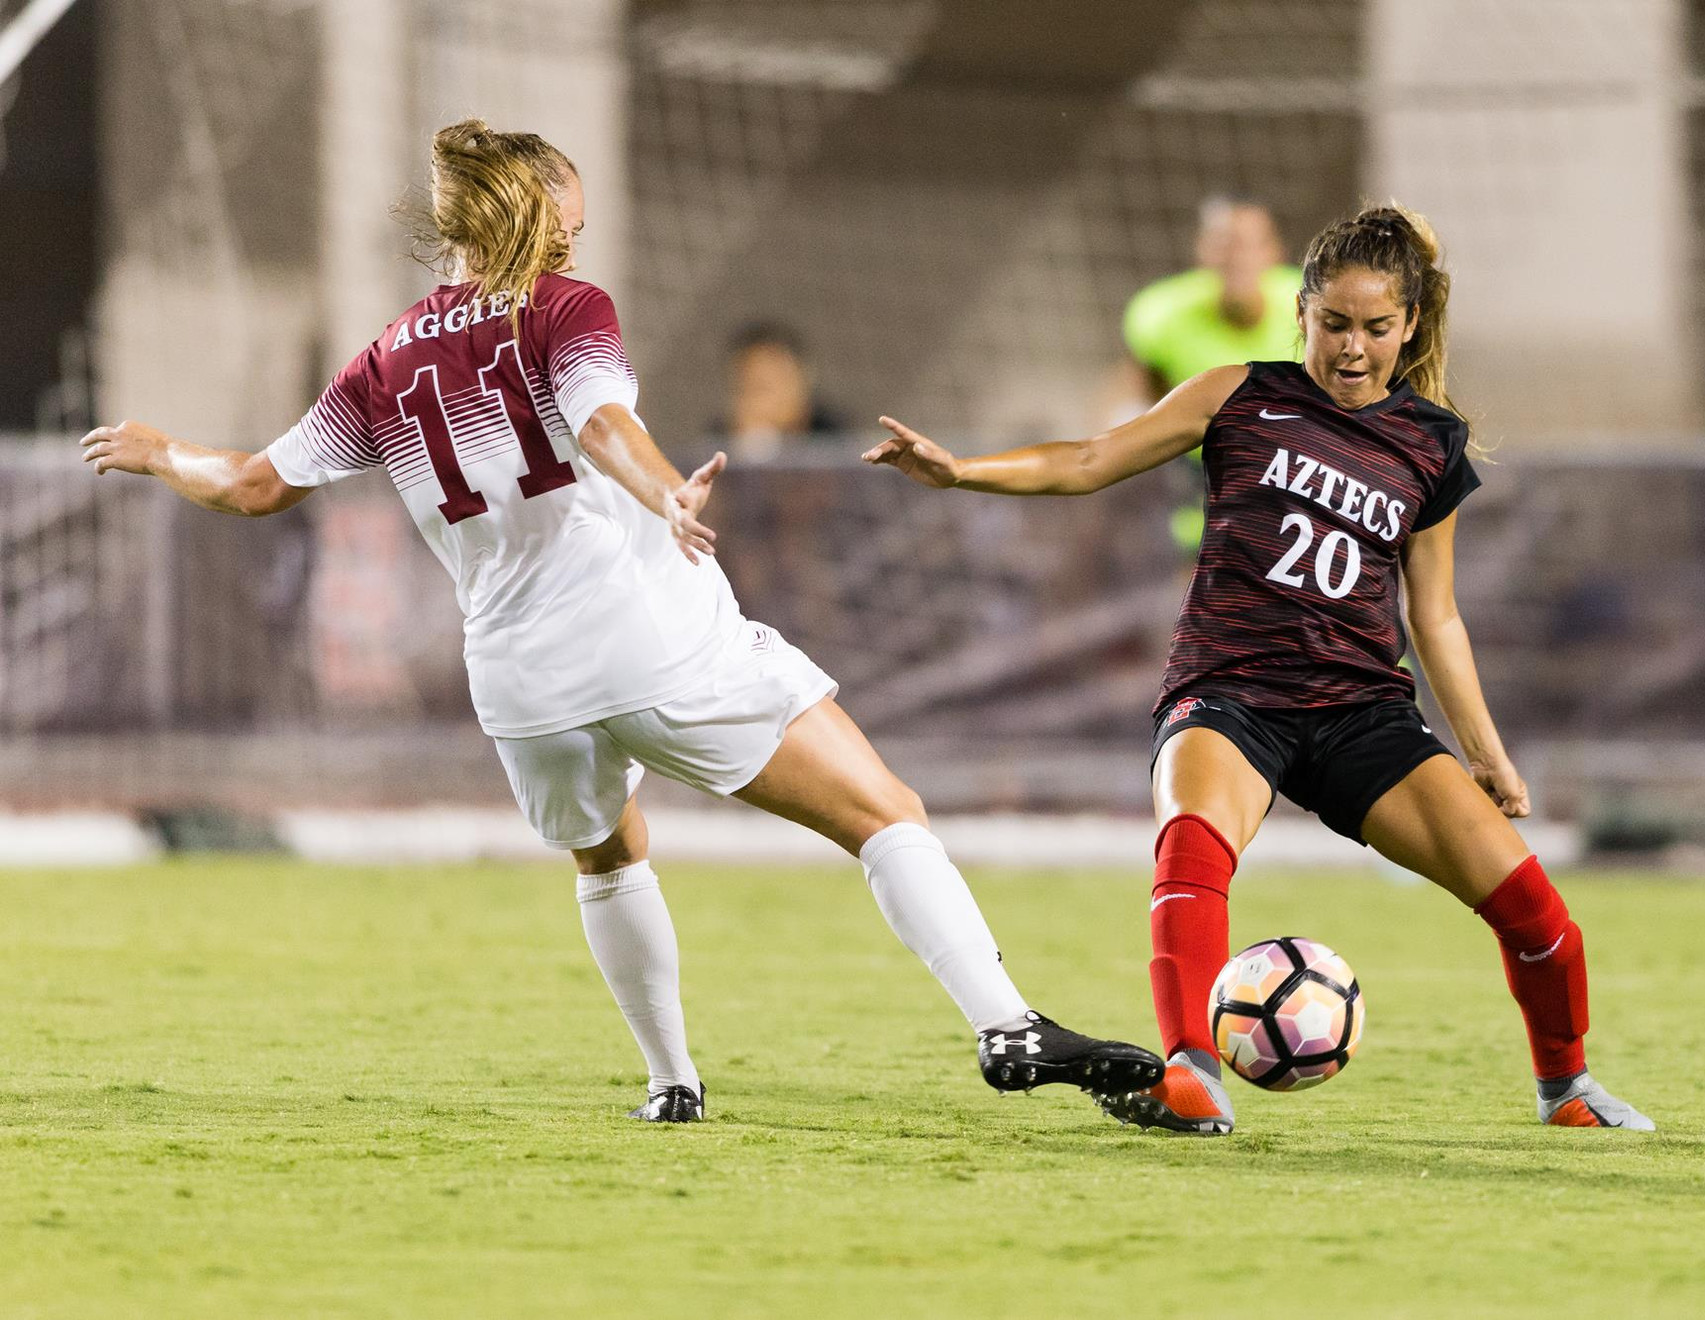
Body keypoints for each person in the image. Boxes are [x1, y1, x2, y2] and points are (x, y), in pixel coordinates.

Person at [80, 119, 1159, 1125]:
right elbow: (600, 421)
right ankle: (1005, 1026)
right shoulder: (563, 307)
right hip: (652, 642)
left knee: (607, 861)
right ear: (538, 220)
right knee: (884, 814)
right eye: (570, 224)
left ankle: (671, 1081)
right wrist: (668, 495)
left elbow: (257, 483)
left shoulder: (384, 362)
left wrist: (163, 450)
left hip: (520, 684)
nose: (574, 240)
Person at [866, 205, 1654, 1135]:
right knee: (1191, 853)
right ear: (1304, 312)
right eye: (1333, 324)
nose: (1351, 348)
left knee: (1537, 915)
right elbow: (1088, 459)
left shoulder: (1431, 444)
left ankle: (1566, 1093)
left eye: (1374, 328)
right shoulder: (1238, 393)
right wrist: (960, 470)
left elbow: (1433, 613)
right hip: (1230, 692)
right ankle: (1192, 1073)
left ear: (1409, 327)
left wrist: (1488, 754)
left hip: (1361, 711)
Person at [1112, 196, 1305, 552]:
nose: (1237, 258)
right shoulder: (1163, 316)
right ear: (1203, 252)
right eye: (1225, 245)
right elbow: (1133, 400)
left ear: (1274, 252)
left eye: (1249, 245)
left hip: (1295, 506)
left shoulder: (1310, 309)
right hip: (1198, 506)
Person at [719, 321, 846, 458]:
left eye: (768, 386)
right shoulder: (718, 444)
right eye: (753, 388)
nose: (761, 403)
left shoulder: (836, 440)